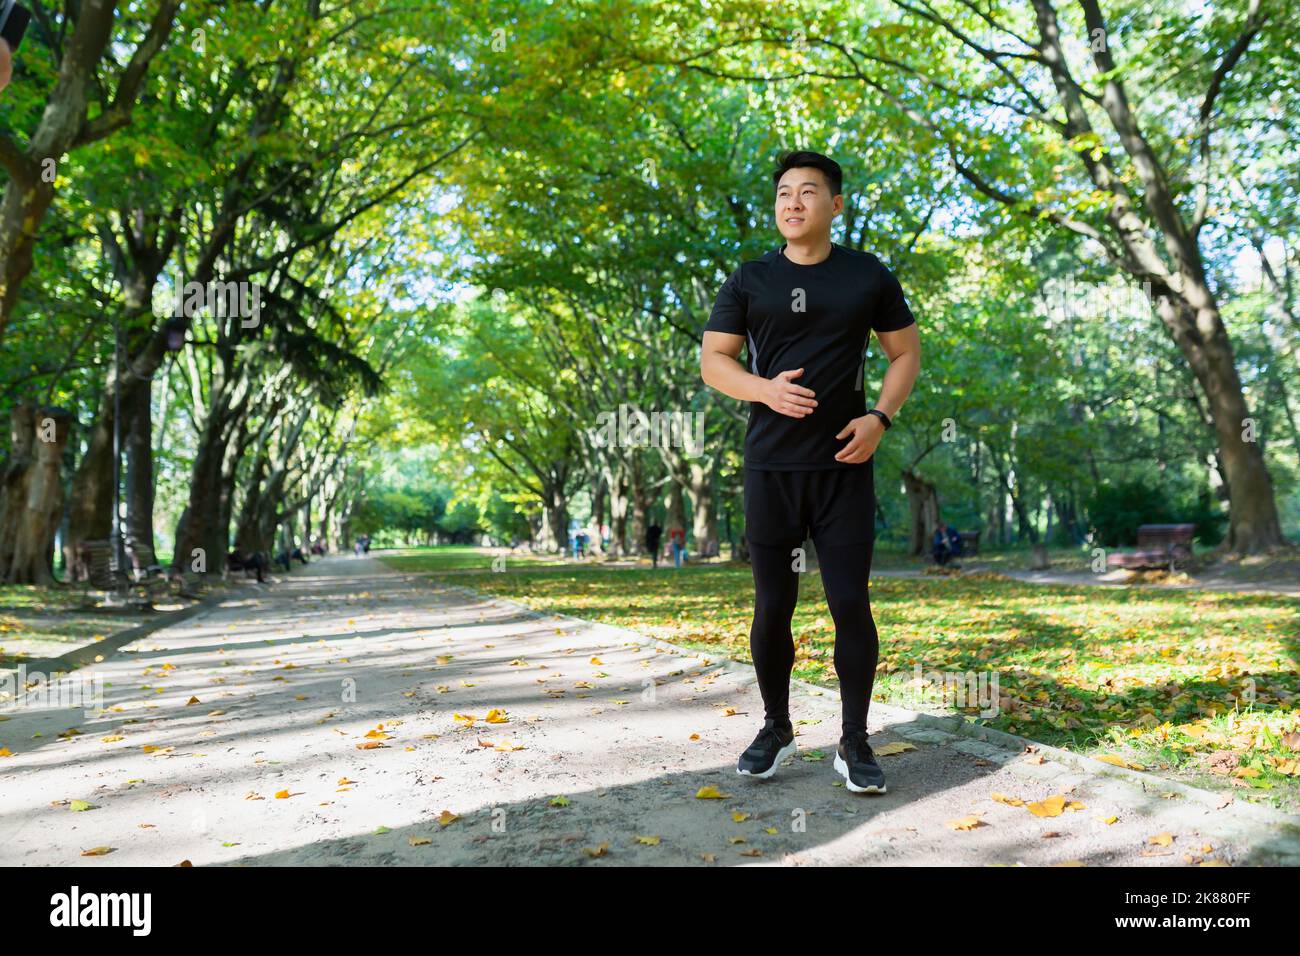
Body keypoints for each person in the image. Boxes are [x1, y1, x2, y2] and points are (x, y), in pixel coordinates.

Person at [700, 150, 921, 794]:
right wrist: (763, 390)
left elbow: (905, 352)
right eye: (784, 194)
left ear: (836, 204)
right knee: (774, 604)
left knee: (851, 603)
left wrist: (881, 416)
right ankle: (776, 726)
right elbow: (715, 361)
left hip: (843, 466)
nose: (792, 203)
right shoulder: (750, 279)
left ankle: (855, 740)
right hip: (771, 466)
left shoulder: (866, 276)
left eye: (808, 191)